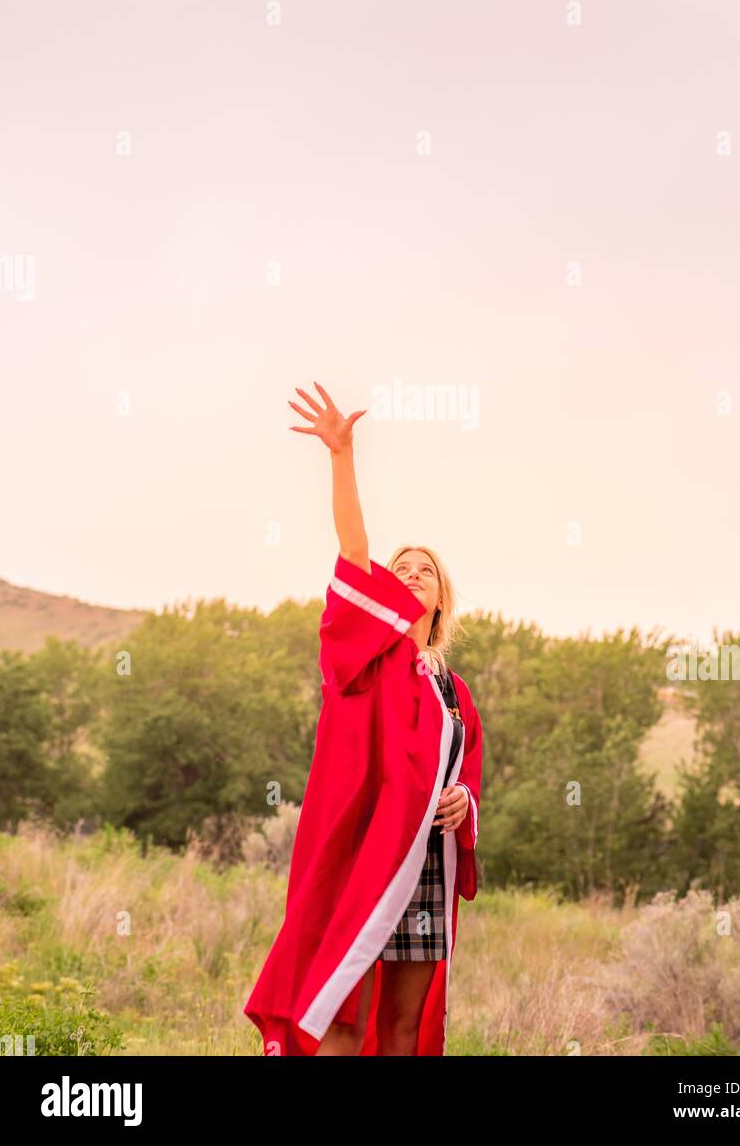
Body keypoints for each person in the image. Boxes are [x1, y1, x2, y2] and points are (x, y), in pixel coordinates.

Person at [244, 382, 482, 1056]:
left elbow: (467, 773)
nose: (408, 573)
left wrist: (467, 802)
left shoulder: (453, 692)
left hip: (425, 863)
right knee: (346, 1014)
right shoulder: (373, 661)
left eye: (423, 572)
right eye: (399, 567)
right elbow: (353, 549)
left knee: (404, 1025)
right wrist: (341, 457)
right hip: (367, 859)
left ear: (440, 600)